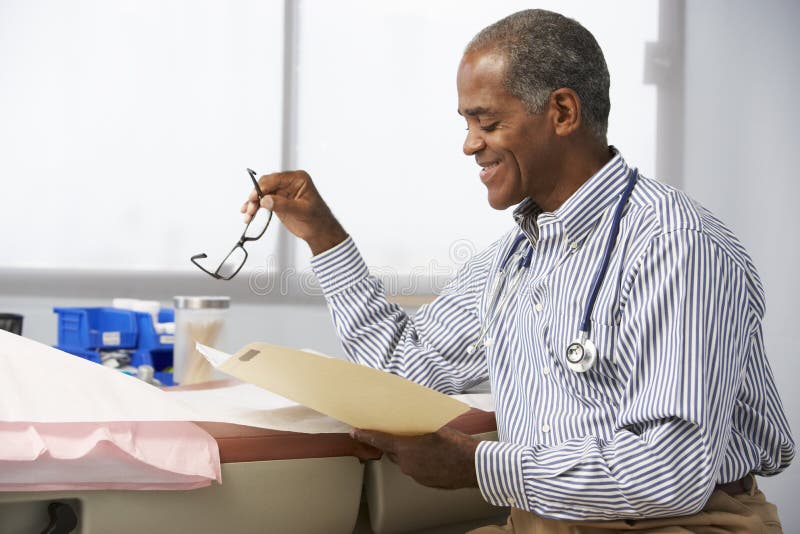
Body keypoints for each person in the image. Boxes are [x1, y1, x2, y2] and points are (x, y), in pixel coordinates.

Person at [241, 9, 794, 532]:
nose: (469, 144)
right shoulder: (514, 260)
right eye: (466, 123)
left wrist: (479, 464)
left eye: (487, 121)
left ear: (562, 112)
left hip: (679, 523)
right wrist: (322, 234)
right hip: (541, 521)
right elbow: (401, 371)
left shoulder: (675, 247)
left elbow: (670, 471)